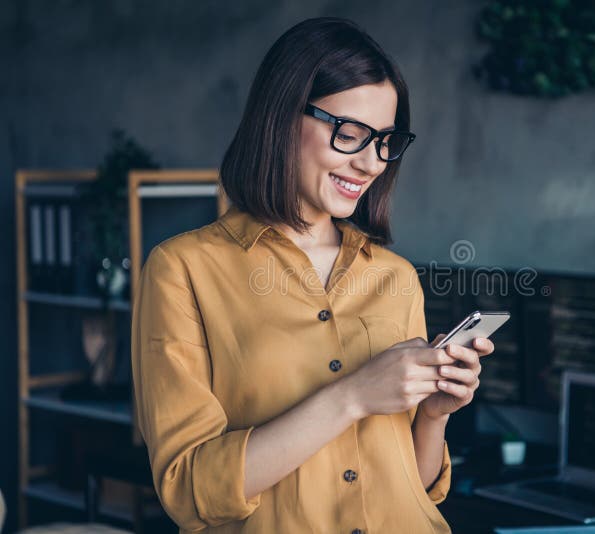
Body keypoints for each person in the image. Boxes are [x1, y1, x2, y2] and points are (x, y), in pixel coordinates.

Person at [131, 17, 494, 533]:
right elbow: (189, 492)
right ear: (281, 118)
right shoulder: (182, 270)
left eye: (385, 141)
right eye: (350, 134)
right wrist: (352, 396)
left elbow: (412, 486)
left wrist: (435, 414)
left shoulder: (395, 278)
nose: (372, 164)